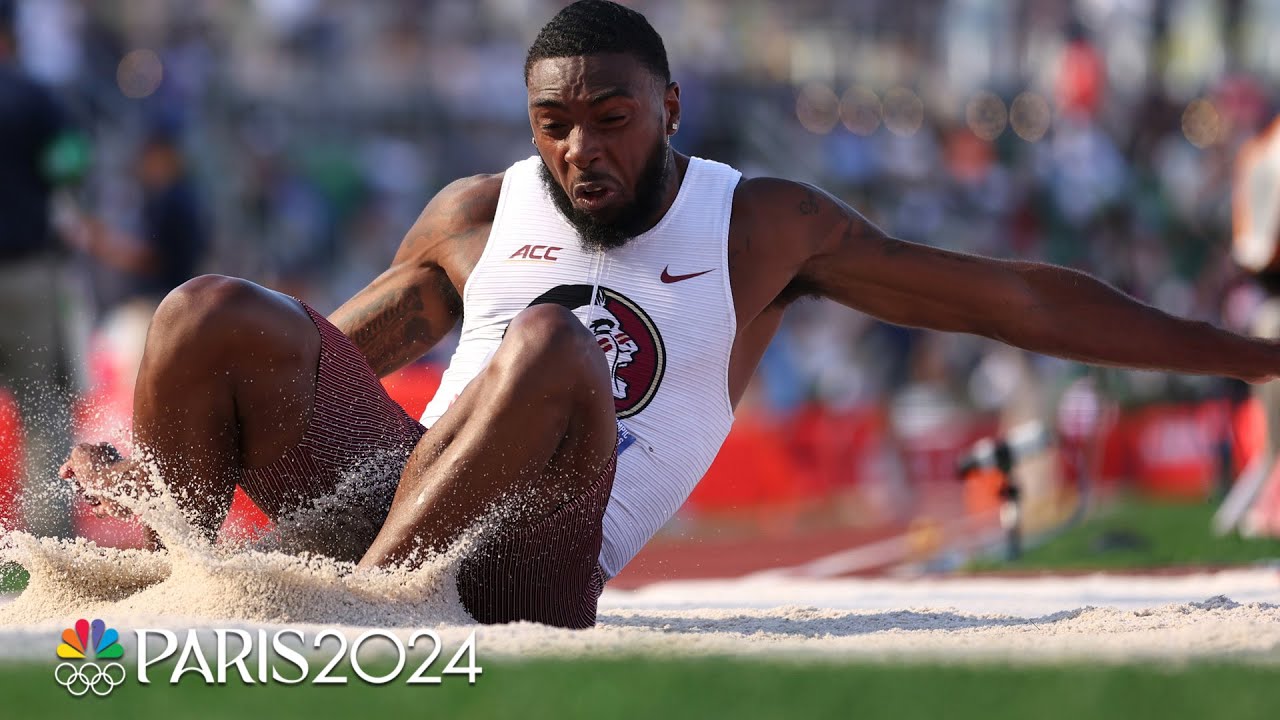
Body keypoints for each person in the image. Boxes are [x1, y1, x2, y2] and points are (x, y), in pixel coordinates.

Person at [61, 0, 1280, 629]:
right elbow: (324, 356)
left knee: (546, 344)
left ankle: (347, 623)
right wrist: (176, 441)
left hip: (538, 558)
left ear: (670, 106)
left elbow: (1013, 298)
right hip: (408, 503)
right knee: (209, 308)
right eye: (554, 123)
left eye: (610, 117)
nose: (579, 148)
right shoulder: (479, 211)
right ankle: (192, 582)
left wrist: (1248, 356)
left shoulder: (761, 227)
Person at [0, 0, 83, 538]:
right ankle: (47, 554)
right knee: (45, 412)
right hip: (27, 273)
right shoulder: (34, 96)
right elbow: (72, 162)